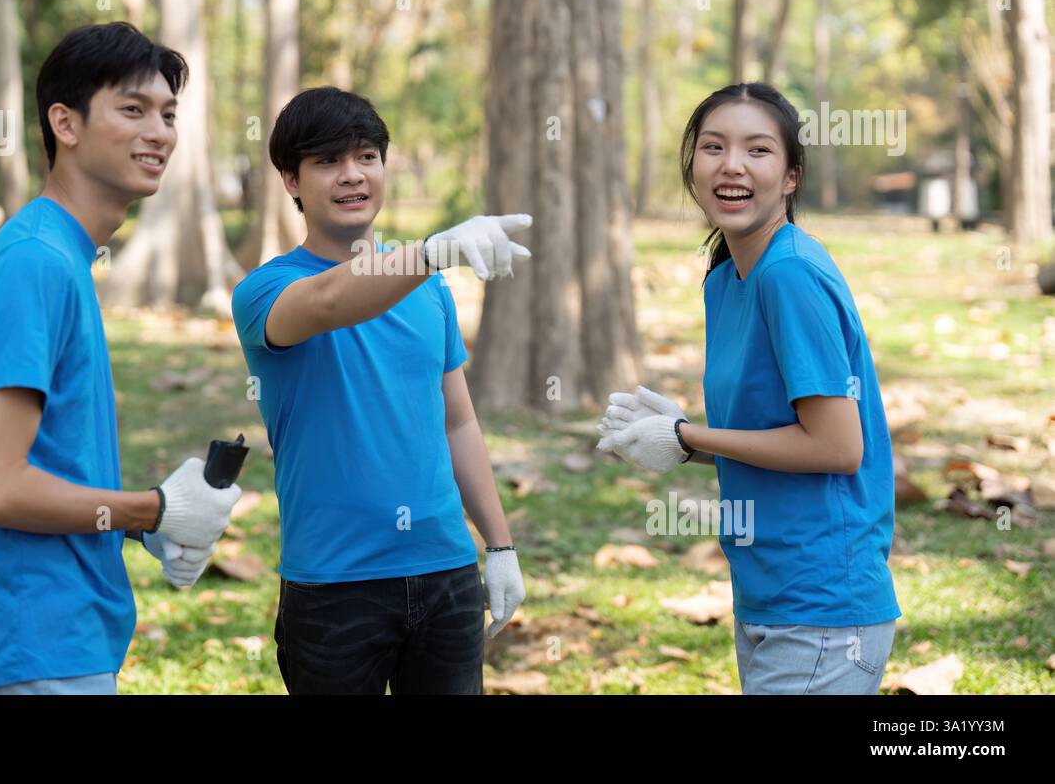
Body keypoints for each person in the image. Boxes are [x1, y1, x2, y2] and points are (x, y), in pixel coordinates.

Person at [0, 22, 241, 695]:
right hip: (31, 641)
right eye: (131, 110)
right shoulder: (34, 263)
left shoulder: (60, 254)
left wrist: (138, 527)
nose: (158, 132)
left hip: (54, 638)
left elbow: (41, 465)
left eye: (167, 114)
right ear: (64, 124)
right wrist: (151, 510)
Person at [598, 82, 901, 695]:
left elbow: (838, 447)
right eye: (713, 147)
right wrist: (683, 439)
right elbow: (773, 434)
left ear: (791, 176)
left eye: (757, 150)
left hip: (822, 604)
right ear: (692, 170)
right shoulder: (727, 277)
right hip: (767, 588)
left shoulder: (788, 274)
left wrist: (687, 435)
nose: (732, 164)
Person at [231, 86, 530, 694]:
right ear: (291, 180)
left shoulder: (429, 288)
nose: (352, 176)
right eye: (327, 162)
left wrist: (499, 546)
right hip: (335, 586)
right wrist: (434, 251)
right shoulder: (265, 290)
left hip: (446, 571)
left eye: (366, 157)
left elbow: (458, 423)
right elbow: (335, 298)